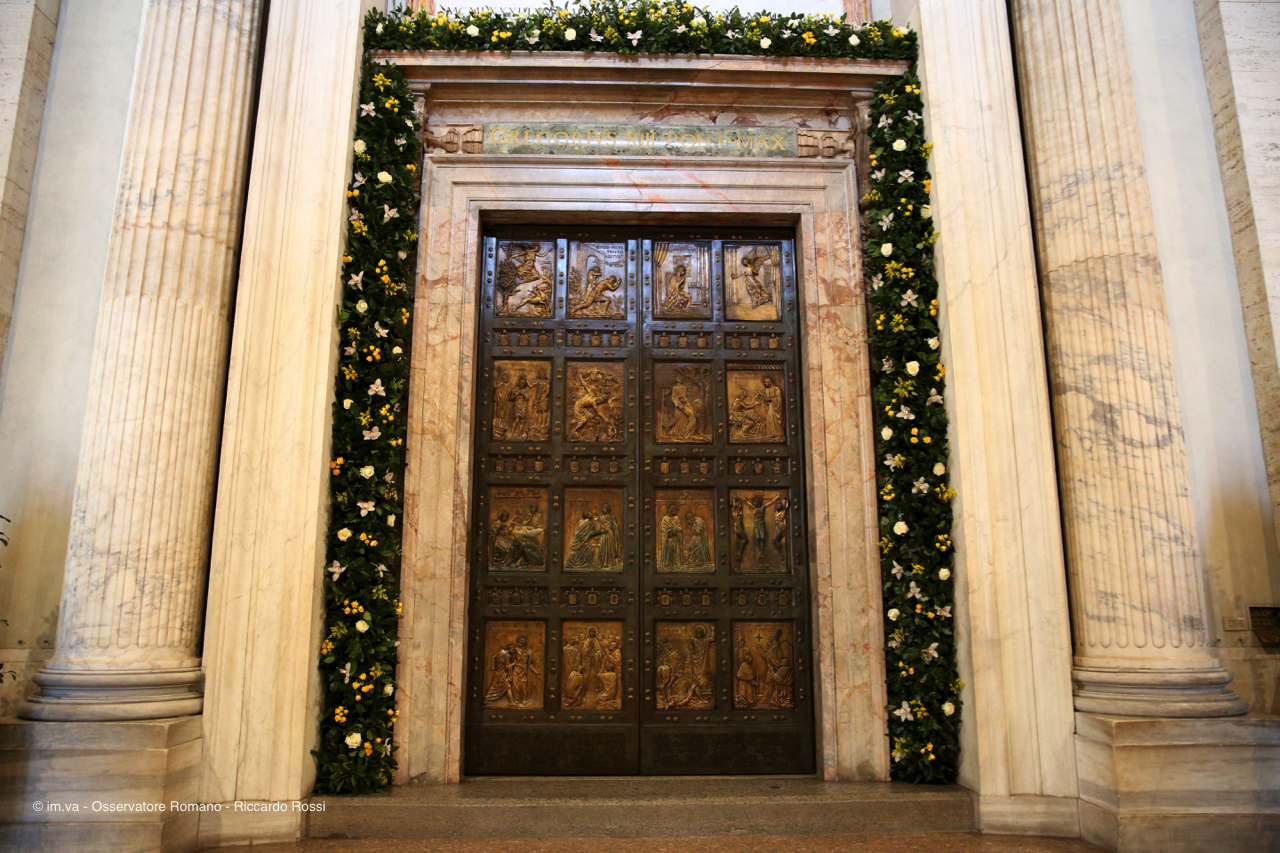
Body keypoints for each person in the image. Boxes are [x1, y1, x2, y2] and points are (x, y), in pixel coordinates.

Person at [596, 503, 621, 569]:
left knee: (611, 547)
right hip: (604, 534)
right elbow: (599, 527)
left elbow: (615, 527)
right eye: (603, 508)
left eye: (605, 508)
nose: (603, 509)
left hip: (610, 534)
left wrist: (611, 526)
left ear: (608, 509)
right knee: (603, 547)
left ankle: (611, 562)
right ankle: (604, 562)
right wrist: (603, 530)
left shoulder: (613, 517)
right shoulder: (601, 518)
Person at [658, 504, 683, 570]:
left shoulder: (676, 518)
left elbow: (679, 526)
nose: (676, 512)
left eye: (676, 510)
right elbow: (663, 528)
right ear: (671, 510)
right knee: (669, 550)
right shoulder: (665, 518)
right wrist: (669, 531)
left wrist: (676, 530)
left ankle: (675, 563)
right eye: (675, 510)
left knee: (674, 551)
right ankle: (667, 563)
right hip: (668, 538)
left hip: (675, 537)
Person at [735, 636, 757, 707]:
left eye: (743, 641)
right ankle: (742, 698)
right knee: (743, 689)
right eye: (740, 641)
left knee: (748, 690)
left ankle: (748, 700)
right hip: (739, 670)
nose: (742, 642)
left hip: (747, 681)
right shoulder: (736, 649)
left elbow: (750, 674)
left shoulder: (746, 649)